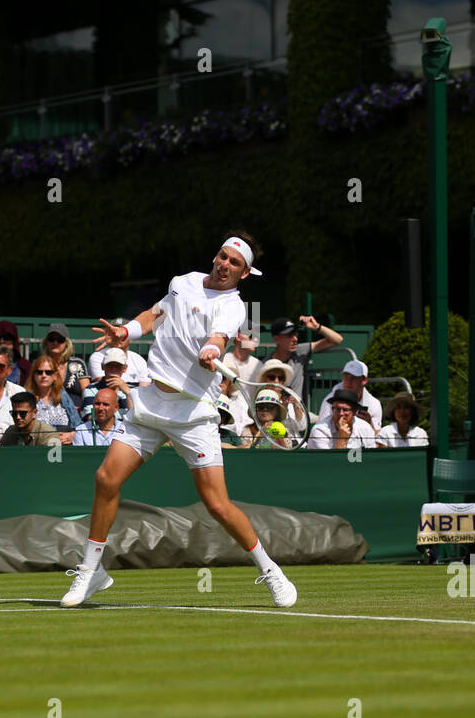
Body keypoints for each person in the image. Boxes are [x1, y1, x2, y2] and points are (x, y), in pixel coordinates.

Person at [61, 230, 298, 609]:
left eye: (234, 263)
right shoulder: (182, 283)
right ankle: (92, 572)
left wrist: (211, 348)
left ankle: (271, 571)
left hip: (193, 415)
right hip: (151, 404)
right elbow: (154, 315)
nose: (224, 265)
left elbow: (219, 337)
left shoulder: (234, 306)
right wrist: (126, 331)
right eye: (223, 256)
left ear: (244, 273)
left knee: (218, 506)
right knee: (106, 478)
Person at [269, 314, 344, 401]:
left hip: (298, 412)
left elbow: (337, 340)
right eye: (289, 335)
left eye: (295, 334)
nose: (295, 339)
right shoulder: (267, 364)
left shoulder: (300, 350)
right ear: (276, 339)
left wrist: (316, 327)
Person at [26, 354, 81, 444]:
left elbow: (78, 424)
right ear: (34, 375)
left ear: (55, 376)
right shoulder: (28, 398)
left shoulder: (62, 395)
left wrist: (73, 435)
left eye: (48, 372)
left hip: (64, 447)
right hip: (37, 447)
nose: (44, 375)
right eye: (39, 372)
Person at [316, 359, 383, 429]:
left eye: (354, 377)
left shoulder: (374, 404)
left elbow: (377, 435)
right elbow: (322, 427)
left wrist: (369, 424)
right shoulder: (330, 400)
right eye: (346, 376)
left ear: (364, 380)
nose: (348, 381)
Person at [86, 317, 151, 385]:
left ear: (131, 337)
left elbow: (145, 388)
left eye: (122, 334)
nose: (118, 337)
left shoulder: (139, 360)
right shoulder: (97, 357)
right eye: (114, 334)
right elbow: (103, 385)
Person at [306, 390, 377, 450]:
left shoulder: (365, 428)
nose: (341, 413)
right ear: (332, 409)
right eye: (337, 409)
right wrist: (342, 439)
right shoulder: (320, 430)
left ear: (354, 412)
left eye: (345, 410)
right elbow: (327, 463)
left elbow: (371, 458)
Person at [42, 323, 90, 409]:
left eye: (60, 339)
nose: (55, 342)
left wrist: (82, 409)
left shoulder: (78, 364)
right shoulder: (41, 365)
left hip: (77, 413)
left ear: (66, 343)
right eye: (51, 339)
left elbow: (87, 393)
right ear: (46, 342)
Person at [80, 348, 131, 420]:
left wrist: (128, 393)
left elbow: (136, 417)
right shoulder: (91, 389)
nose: (113, 370)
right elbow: (90, 417)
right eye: (110, 366)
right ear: (102, 367)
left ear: (124, 368)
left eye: (118, 366)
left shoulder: (132, 390)